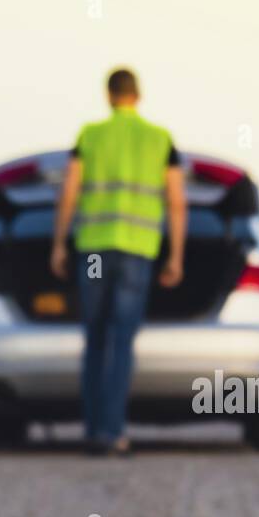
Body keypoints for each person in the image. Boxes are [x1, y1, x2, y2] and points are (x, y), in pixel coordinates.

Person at [50, 67, 186, 456]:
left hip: (92, 247)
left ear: (108, 95)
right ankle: (114, 433)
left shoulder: (90, 135)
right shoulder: (159, 139)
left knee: (94, 339)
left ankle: (92, 431)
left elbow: (70, 191)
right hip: (138, 251)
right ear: (137, 96)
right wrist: (175, 255)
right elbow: (176, 202)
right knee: (121, 340)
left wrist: (59, 244)